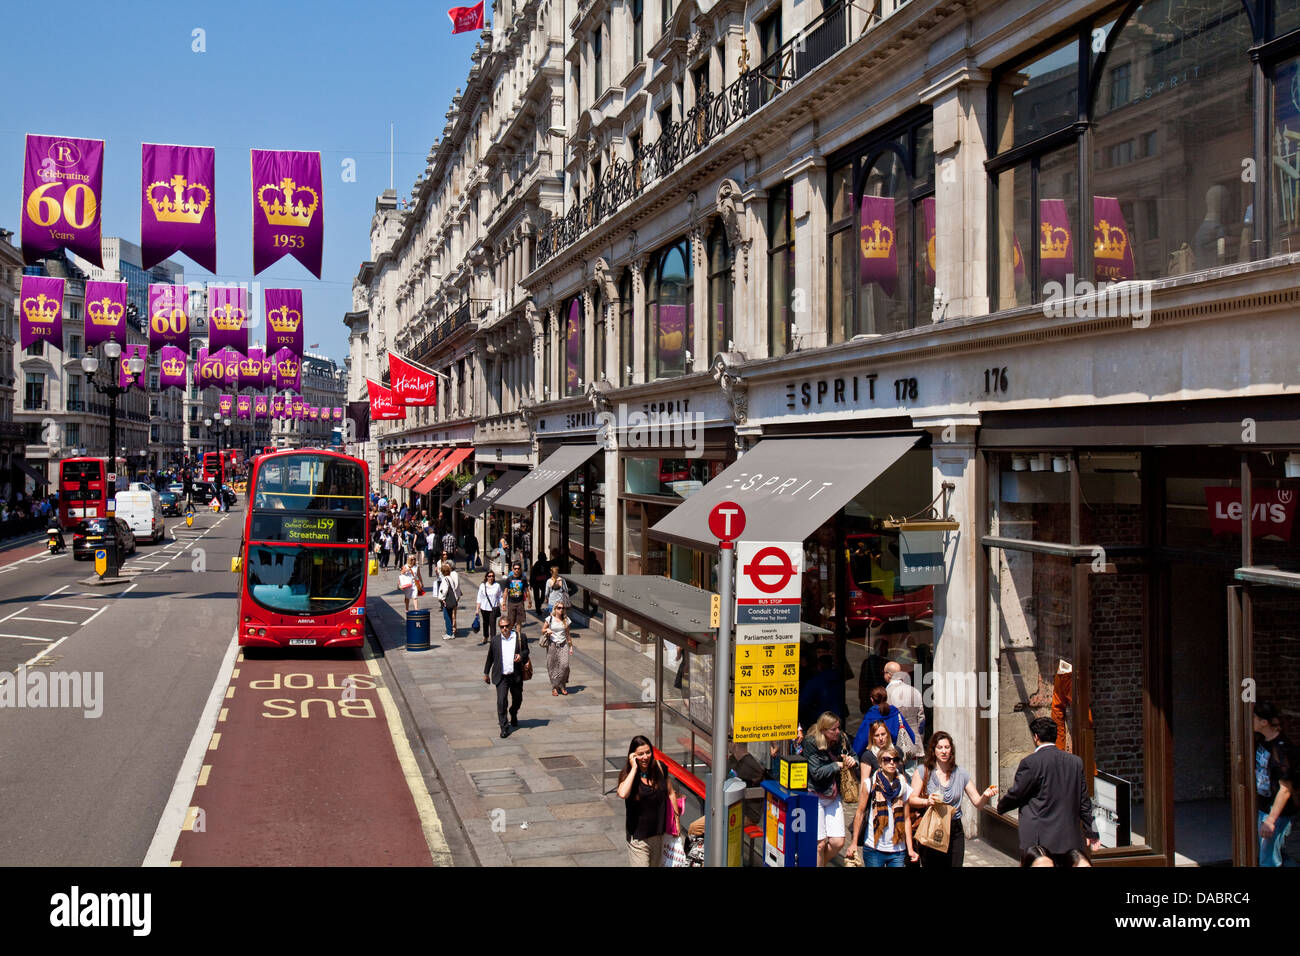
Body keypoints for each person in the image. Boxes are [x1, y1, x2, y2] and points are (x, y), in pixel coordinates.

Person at [997, 716, 1100, 865]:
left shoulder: (1030, 763)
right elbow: (1085, 802)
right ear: (1055, 736)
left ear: (1036, 737)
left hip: (1040, 840)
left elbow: (1017, 793)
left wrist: (1000, 807)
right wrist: (1092, 832)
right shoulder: (1075, 762)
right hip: (1068, 839)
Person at [906, 730, 997, 867]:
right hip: (932, 827)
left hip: (954, 829)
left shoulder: (961, 773)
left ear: (951, 750)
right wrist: (927, 801)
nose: (944, 751)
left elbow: (978, 803)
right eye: (940, 747)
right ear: (933, 750)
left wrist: (985, 795)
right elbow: (911, 799)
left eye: (947, 747)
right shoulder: (923, 771)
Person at [847, 744, 917, 867]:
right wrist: (854, 843)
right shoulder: (870, 784)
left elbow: (906, 819)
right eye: (887, 760)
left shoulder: (903, 785)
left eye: (895, 760)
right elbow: (860, 813)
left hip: (898, 850)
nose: (891, 763)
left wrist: (910, 848)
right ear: (880, 762)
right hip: (874, 848)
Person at [802, 711, 856, 866]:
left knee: (838, 842)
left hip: (834, 794)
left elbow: (854, 755)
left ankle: (815, 864)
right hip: (816, 795)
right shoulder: (812, 742)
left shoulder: (842, 739)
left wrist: (853, 761)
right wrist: (836, 765)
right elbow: (816, 773)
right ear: (824, 730)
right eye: (833, 730)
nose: (837, 732)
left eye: (838, 728)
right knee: (819, 844)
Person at [616, 735, 679, 867]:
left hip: (658, 834)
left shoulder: (660, 768)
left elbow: (671, 793)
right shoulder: (628, 775)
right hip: (639, 839)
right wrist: (634, 768)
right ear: (632, 755)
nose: (645, 757)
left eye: (648, 752)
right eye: (640, 754)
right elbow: (622, 793)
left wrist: (676, 822)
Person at [1254, 700, 1297, 867]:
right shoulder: (1262, 741)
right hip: (1265, 808)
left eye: (1254, 718)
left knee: (1269, 861)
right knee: (1279, 856)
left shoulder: (1282, 750)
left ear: (1264, 722)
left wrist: (1270, 820)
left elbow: (1286, 789)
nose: (1251, 721)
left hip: (1275, 813)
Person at [483, 615, 529, 738]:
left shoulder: (520, 637)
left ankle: (513, 713)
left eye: (506, 626)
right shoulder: (495, 640)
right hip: (501, 676)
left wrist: (521, 656)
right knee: (501, 701)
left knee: (518, 699)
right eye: (502, 627)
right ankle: (504, 727)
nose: (504, 629)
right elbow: (490, 658)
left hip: (516, 675)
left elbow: (526, 651)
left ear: (511, 626)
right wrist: (486, 673)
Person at [852, 687, 916, 759]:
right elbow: (911, 736)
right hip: (896, 756)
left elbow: (860, 742)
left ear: (871, 699)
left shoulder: (870, 717)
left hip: (876, 758)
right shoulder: (895, 713)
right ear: (886, 698)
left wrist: (854, 757)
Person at [884, 661, 925, 743]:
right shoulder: (915, 691)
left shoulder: (886, 694)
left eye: (884, 673)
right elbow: (921, 720)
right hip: (915, 743)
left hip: (895, 745)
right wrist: (919, 740)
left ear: (888, 675)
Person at [541, 599, 573, 696]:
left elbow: (568, 634)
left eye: (563, 608)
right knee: (553, 666)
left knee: (565, 665)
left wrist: (571, 647)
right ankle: (555, 687)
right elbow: (543, 630)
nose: (561, 610)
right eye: (559, 608)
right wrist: (547, 630)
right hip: (552, 644)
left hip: (563, 645)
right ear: (555, 608)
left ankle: (562, 684)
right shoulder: (550, 619)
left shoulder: (566, 620)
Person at [475, 570, 503, 645]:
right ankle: (485, 636)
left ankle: (493, 639)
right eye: (489, 576)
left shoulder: (497, 585)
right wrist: (477, 609)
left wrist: (502, 604)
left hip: (493, 609)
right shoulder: (482, 585)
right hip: (484, 608)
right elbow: (479, 598)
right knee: (485, 623)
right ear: (486, 577)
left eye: (492, 576)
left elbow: (500, 596)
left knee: (492, 623)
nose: (491, 577)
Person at [503, 561, 530, 635]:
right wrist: (504, 603)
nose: (517, 570)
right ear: (512, 569)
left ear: (520, 569)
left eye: (518, 568)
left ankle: (518, 638)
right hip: (511, 603)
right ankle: (508, 635)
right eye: (515, 568)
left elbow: (527, 591)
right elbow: (505, 591)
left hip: (520, 602)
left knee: (519, 621)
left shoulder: (523, 579)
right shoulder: (509, 579)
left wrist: (529, 601)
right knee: (511, 621)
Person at [436, 562, 460, 642]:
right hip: (453, 600)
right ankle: (451, 633)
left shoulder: (445, 579)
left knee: (447, 617)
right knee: (450, 616)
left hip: (447, 601)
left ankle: (449, 633)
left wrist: (442, 598)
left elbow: (444, 590)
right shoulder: (450, 578)